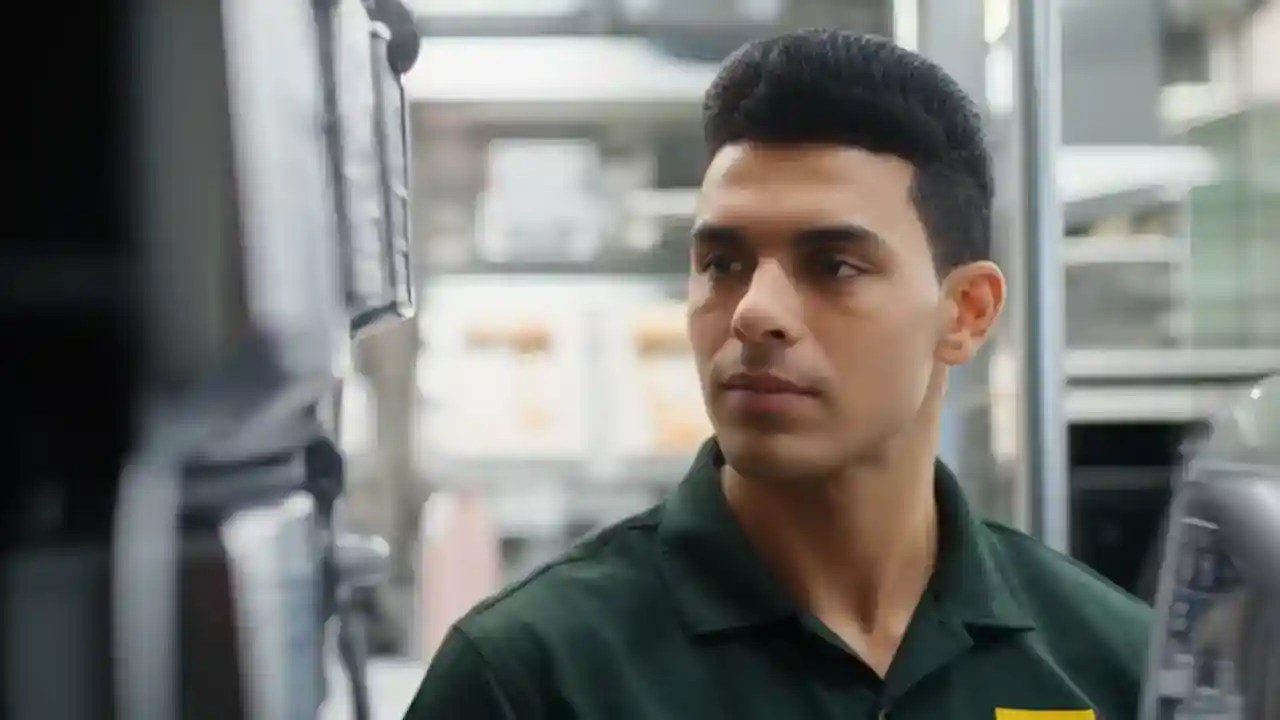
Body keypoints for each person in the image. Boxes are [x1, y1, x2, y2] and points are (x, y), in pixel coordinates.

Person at [404, 29, 1151, 719]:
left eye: (834, 266)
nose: (754, 313)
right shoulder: (533, 678)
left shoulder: (1110, 668)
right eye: (722, 264)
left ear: (966, 313)